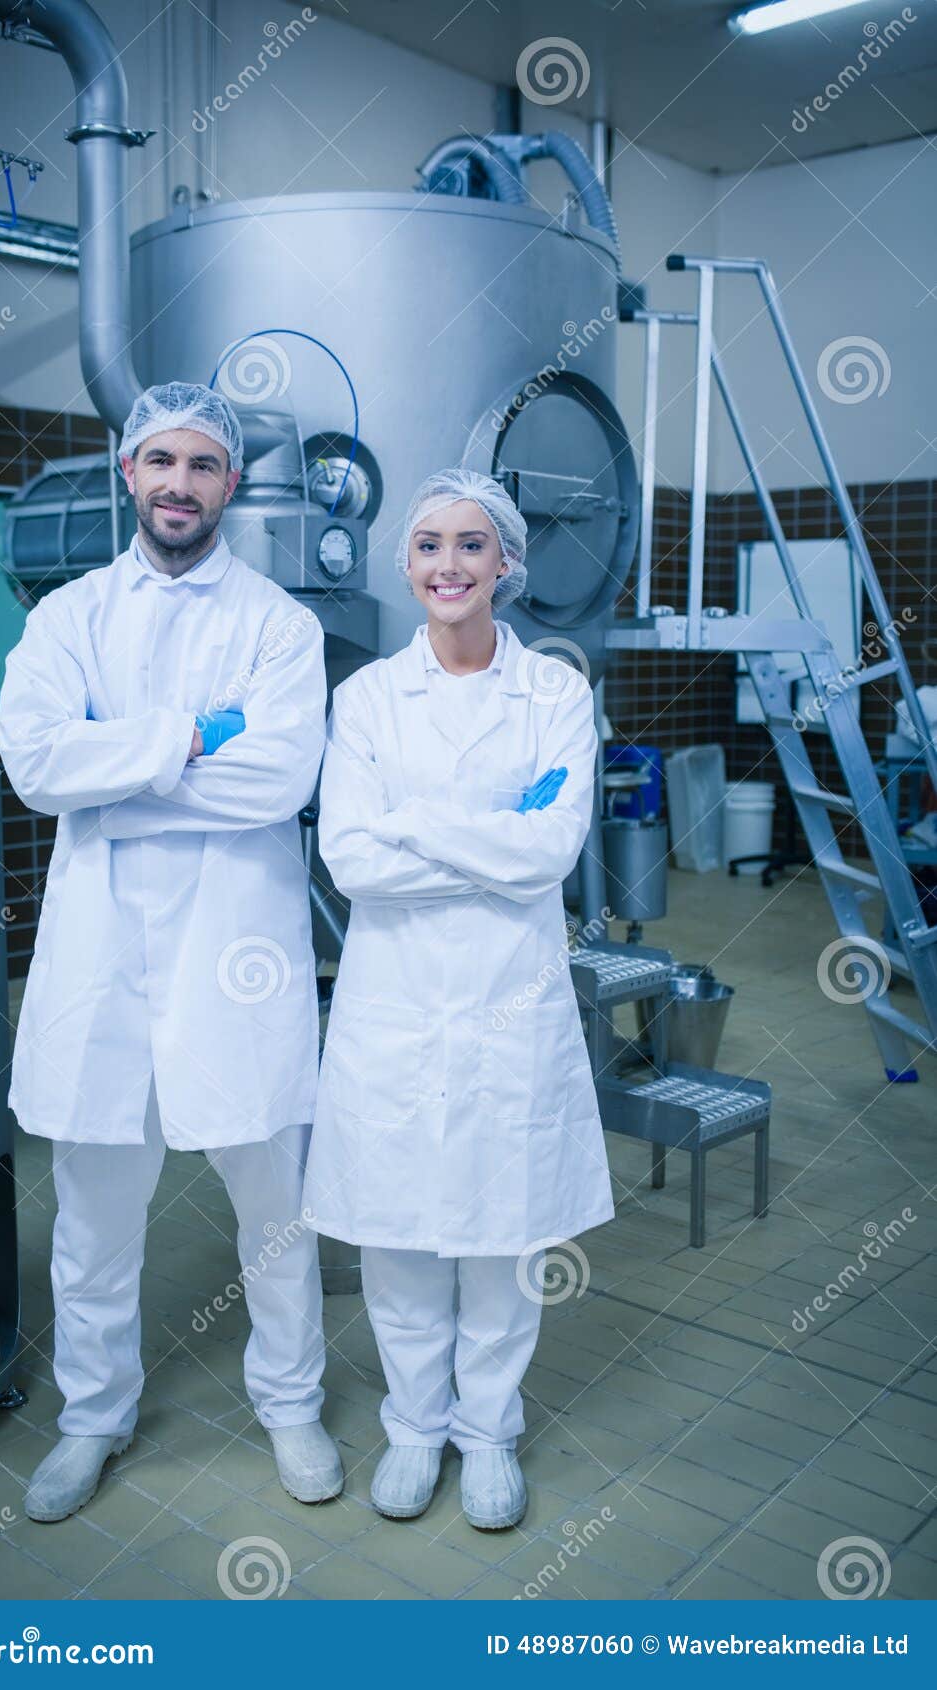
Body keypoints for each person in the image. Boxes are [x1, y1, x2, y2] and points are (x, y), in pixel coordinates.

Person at [0, 382, 342, 1522]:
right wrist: (188, 743)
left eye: (203, 465)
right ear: (127, 474)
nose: (180, 484)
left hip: (232, 959)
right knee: (93, 1216)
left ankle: (290, 1404)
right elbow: (37, 768)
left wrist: (121, 774)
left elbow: (279, 781)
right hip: (102, 962)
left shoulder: (281, 629)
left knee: (272, 1207)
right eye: (160, 462)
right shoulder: (69, 619)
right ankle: (90, 1417)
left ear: (230, 484)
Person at [303, 466, 614, 1531]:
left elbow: (549, 853)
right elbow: (349, 857)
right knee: (395, 1231)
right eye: (429, 544)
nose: (449, 563)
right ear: (405, 563)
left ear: (506, 564)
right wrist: (485, 832)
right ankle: (413, 1428)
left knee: (502, 1228)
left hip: (506, 993)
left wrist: (417, 823)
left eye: (471, 544)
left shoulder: (556, 694)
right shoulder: (366, 699)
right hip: (395, 1003)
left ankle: (487, 1435)